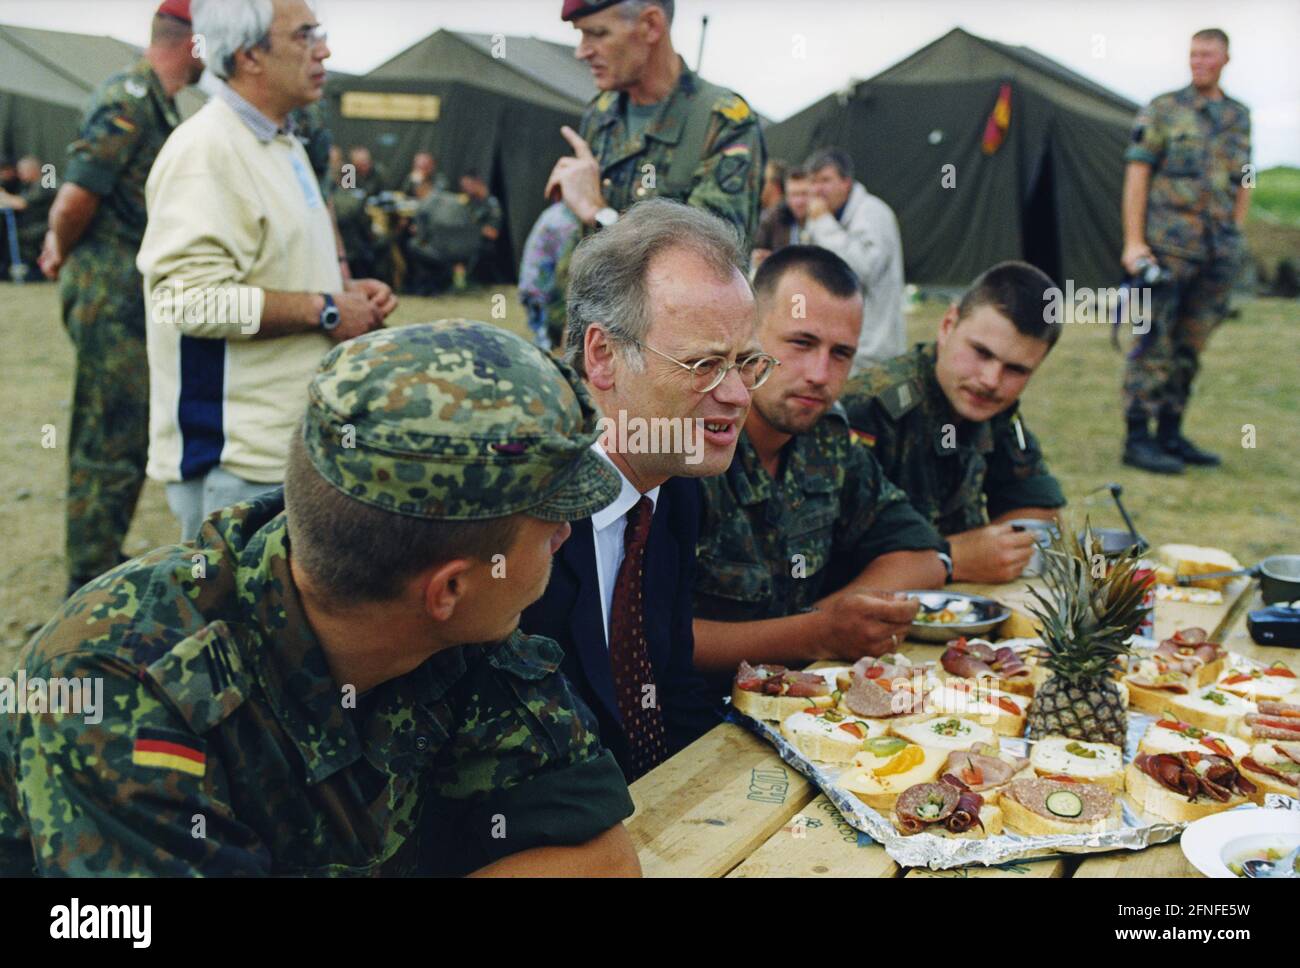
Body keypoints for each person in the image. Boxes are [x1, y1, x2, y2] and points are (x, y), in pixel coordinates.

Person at [0, 320, 641, 877]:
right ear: (447, 588)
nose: (565, 534)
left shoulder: (462, 630)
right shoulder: (120, 688)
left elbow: (601, 860)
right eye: (550, 518)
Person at [521, 198, 767, 781]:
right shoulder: (525, 514)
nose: (736, 395)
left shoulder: (672, 477)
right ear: (603, 357)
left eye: (746, 362)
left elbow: (669, 686)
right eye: (704, 364)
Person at [137, 0, 397, 542]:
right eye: (305, 36)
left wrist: (345, 292)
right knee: (240, 621)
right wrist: (326, 309)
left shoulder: (281, 142)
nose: (322, 49)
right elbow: (186, 301)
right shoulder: (206, 151)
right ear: (249, 55)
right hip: (234, 461)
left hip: (285, 446)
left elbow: (273, 262)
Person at [693, 246, 945, 675]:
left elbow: (922, 558)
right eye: (801, 343)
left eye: (841, 354)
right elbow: (648, 637)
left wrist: (832, 619)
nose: (820, 374)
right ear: (747, 334)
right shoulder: (690, 445)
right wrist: (817, 633)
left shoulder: (825, 437)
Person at [38, 0, 202, 597]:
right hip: (108, 288)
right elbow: (74, 198)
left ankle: (101, 552)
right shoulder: (129, 97)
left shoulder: (155, 104)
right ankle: (87, 574)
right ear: (193, 41)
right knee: (107, 433)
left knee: (126, 430)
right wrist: (59, 250)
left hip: (128, 289)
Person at [840, 262, 1067, 585]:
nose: (991, 380)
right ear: (948, 325)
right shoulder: (872, 409)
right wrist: (950, 557)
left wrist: (999, 546)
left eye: (1016, 369)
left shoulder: (994, 410)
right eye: (981, 353)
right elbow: (836, 560)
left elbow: (1040, 511)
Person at [1119, 28, 1250, 475]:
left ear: (1225, 59)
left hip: (1216, 253)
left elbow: (1244, 180)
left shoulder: (1238, 116)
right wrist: (1134, 243)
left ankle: (1170, 433)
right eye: (1193, 54)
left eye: (1207, 54)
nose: (1198, 61)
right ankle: (1138, 437)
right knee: (1153, 343)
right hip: (1166, 250)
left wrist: (1236, 230)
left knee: (1190, 347)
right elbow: (1138, 173)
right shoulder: (1164, 110)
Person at [547, 0, 765, 255]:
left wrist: (599, 213)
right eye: (580, 34)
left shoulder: (723, 121)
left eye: (597, 33)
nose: (581, 52)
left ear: (651, 25)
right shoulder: (601, 112)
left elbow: (709, 261)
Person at [802, 147, 906, 371]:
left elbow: (864, 269)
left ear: (846, 183)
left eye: (825, 180)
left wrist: (823, 224)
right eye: (813, 181)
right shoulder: (825, 215)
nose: (817, 190)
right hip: (839, 342)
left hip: (873, 351)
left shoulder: (873, 213)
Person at [518, 201, 582, 351]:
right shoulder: (567, 221)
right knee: (545, 346)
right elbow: (564, 270)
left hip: (532, 286)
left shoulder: (557, 212)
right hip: (542, 290)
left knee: (542, 339)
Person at [0, 156, 56, 272]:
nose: (19, 175)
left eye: (22, 171)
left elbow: (21, 203)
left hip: (44, 226)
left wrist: (2, 194)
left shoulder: (46, 183)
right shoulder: (29, 186)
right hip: (32, 225)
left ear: (33, 170)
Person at [751, 166, 810, 270]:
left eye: (804, 194)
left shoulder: (824, 219)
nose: (799, 202)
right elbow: (757, 251)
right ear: (786, 196)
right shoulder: (775, 218)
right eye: (794, 195)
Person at [459, 169, 504, 285]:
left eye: (468, 185)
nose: (465, 190)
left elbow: (493, 233)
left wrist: (473, 228)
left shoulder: (491, 204)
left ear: (477, 182)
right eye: (463, 187)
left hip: (483, 245)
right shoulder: (469, 202)